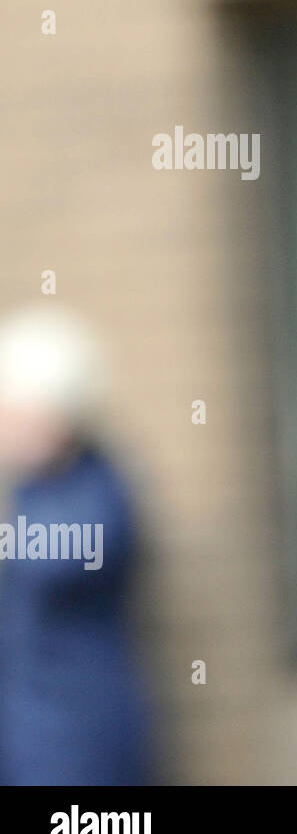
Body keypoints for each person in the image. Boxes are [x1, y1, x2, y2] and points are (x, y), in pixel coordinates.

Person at [0, 307, 154, 785]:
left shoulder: (96, 494)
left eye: (12, 411)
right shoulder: (33, 492)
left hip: (75, 750)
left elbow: (46, 558)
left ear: (54, 416)